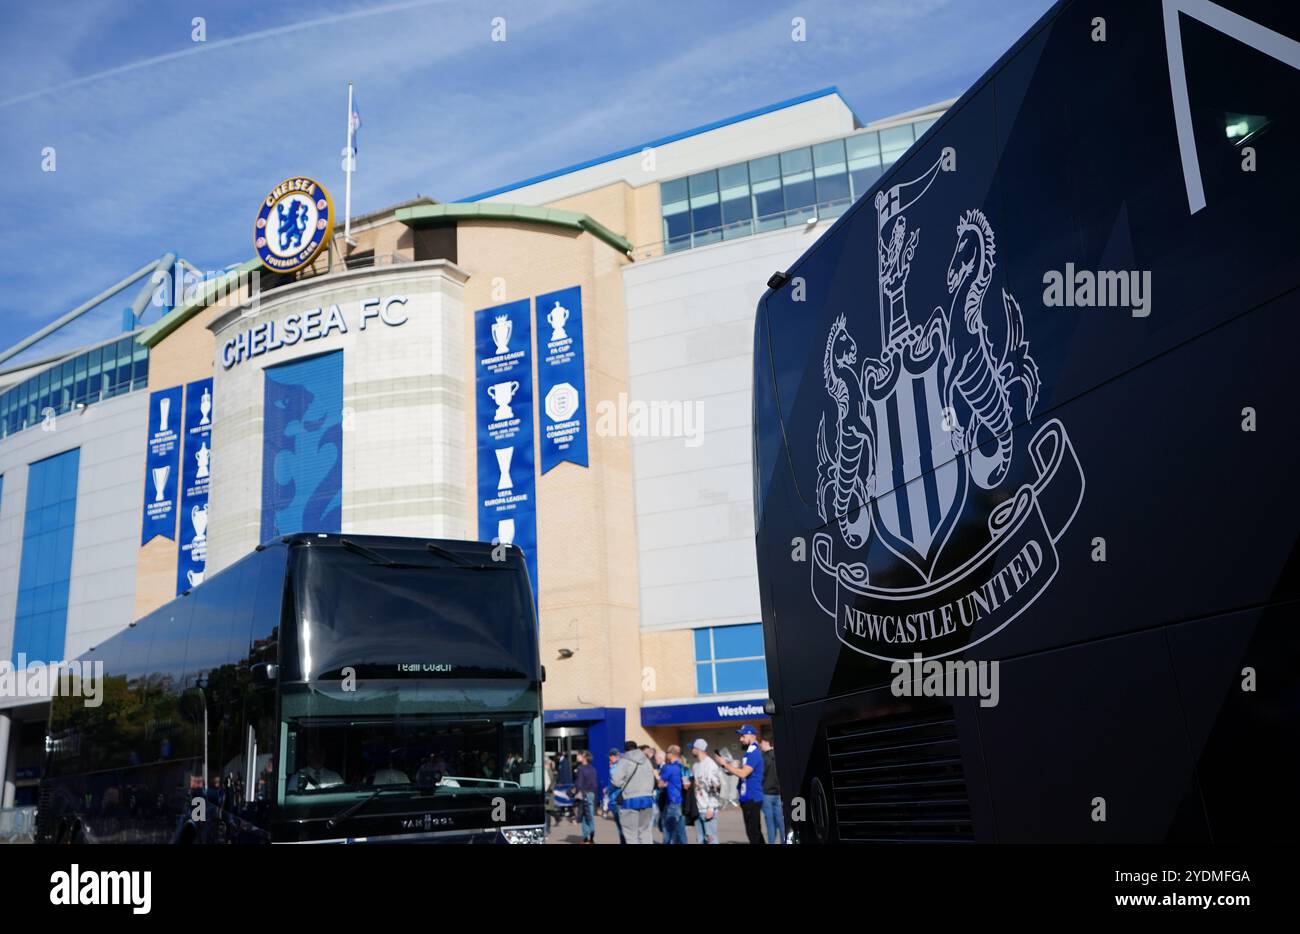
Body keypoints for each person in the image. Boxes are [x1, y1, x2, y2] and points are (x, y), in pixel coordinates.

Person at [715, 725, 765, 844]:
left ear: (751, 735)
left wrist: (725, 764)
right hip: (747, 797)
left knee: (754, 833)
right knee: (753, 832)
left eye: (743, 735)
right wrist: (729, 766)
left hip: (752, 797)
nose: (740, 739)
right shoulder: (749, 752)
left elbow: (743, 774)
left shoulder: (754, 753)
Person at [610, 740, 655, 844]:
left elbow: (616, 782)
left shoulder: (624, 760)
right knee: (645, 832)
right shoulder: (647, 760)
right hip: (647, 799)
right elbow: (652, 779)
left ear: (625, 750)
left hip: (630, 799)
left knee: (631, 836)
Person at [689, 739, 722, 844]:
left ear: (698, 749)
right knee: (700, 839)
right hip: (698, 808)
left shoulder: (710, 765)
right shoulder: (695, 765)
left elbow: (715, 788)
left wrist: (711, 808)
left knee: (711, 839)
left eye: (693, 748)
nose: (691, 750)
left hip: (707, 809)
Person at [656, 745, 689, 844]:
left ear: (670, 753)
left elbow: (660, 784)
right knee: (681, 830)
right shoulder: (684, 766)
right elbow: (686, 785)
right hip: (681, 800)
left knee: (668, 830)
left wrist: (658, 777)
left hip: (672, 800)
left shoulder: (669, 768)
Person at [760, 738, 784, 844]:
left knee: (770, 823)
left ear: (766, 743)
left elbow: (761, 775)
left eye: (762, 743)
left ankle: (771, 842)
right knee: (781, 821)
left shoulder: (764, 757)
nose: (760, 745)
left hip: (766, 794)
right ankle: (785, 841)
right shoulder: (780, 755)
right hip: (778, 793)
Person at [575, 750, 599, 844]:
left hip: (584, 793)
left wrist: (575, 792)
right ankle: (589, 838)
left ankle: (588, 839)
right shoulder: (593, 768)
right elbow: (595, 784)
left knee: (585, 816)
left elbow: (579, 784)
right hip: (591, 793)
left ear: (584, 756)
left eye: (578, 755)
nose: (577, 756)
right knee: (589, 815)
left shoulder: (581, 768)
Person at [605, 747, 626, 843]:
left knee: (621, 828)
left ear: (613, 756)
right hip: (625, 799)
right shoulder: (624, 767)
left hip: (616, 800)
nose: (609, 759)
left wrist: (608, 790)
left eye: (610, 757)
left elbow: (615, 784)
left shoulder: (614, 769)